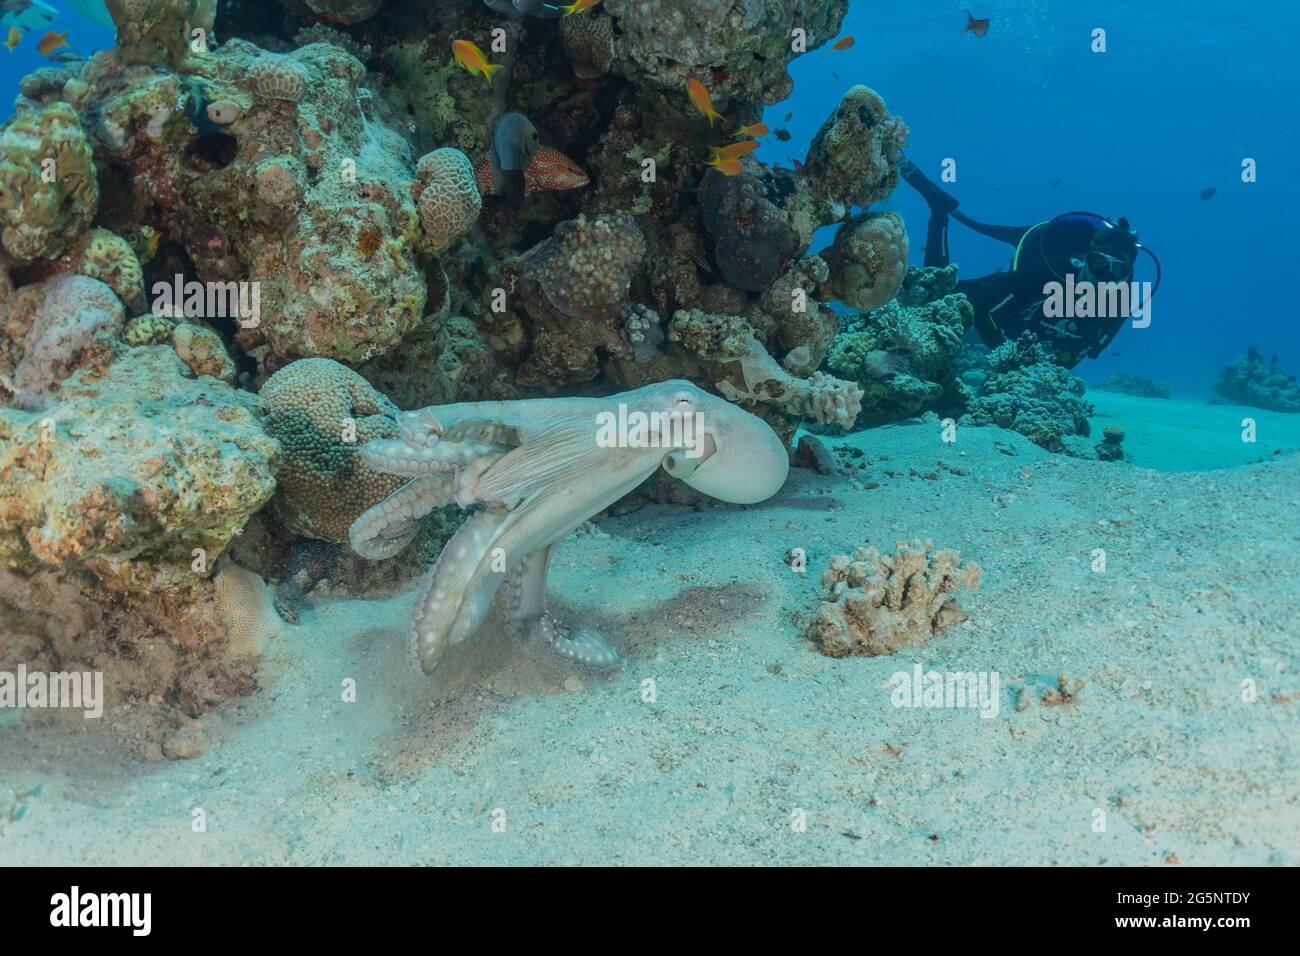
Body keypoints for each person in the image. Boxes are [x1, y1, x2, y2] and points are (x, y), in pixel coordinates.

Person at [900, 156, 1151, 368]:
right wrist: (1009, 360)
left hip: (1019, 330)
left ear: (1127, 275)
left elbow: (1083, 352)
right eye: (1099, 264)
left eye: (1117, 270)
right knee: (932, 293)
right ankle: (940, 209)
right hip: (1000, 298)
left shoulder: (1121, 301)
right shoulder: (1053, 270)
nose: (1104, 277)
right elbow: (986, 306)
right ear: (1086, 258)